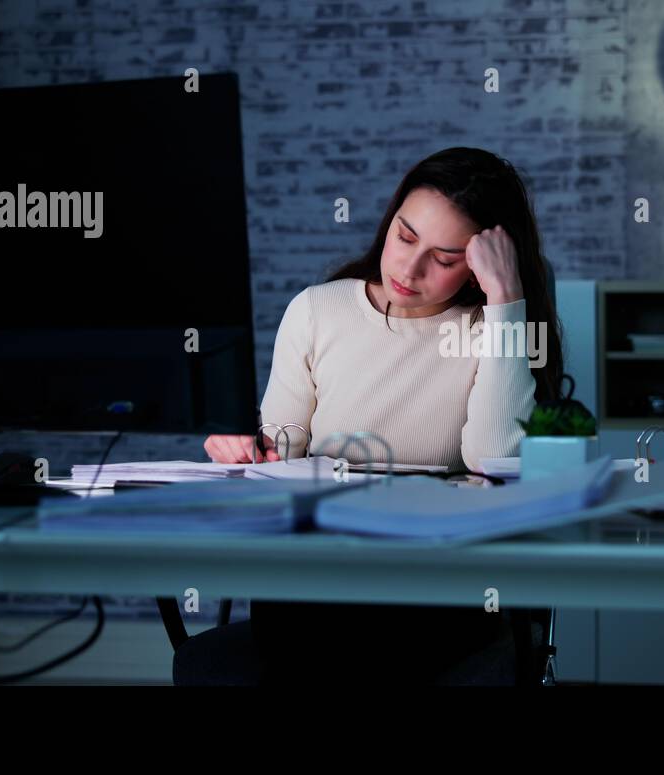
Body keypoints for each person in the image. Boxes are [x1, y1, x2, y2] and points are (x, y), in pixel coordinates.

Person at [197, 146, 563, 685]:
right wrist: (251, 454)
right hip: (319, 579)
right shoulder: (317, 310)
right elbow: (284, 455)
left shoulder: (491, 331)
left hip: (434, 583)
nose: (408, 269)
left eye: (444, 258)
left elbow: (493, 459)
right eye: (405, 236)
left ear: (478, 268)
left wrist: (507, 298)